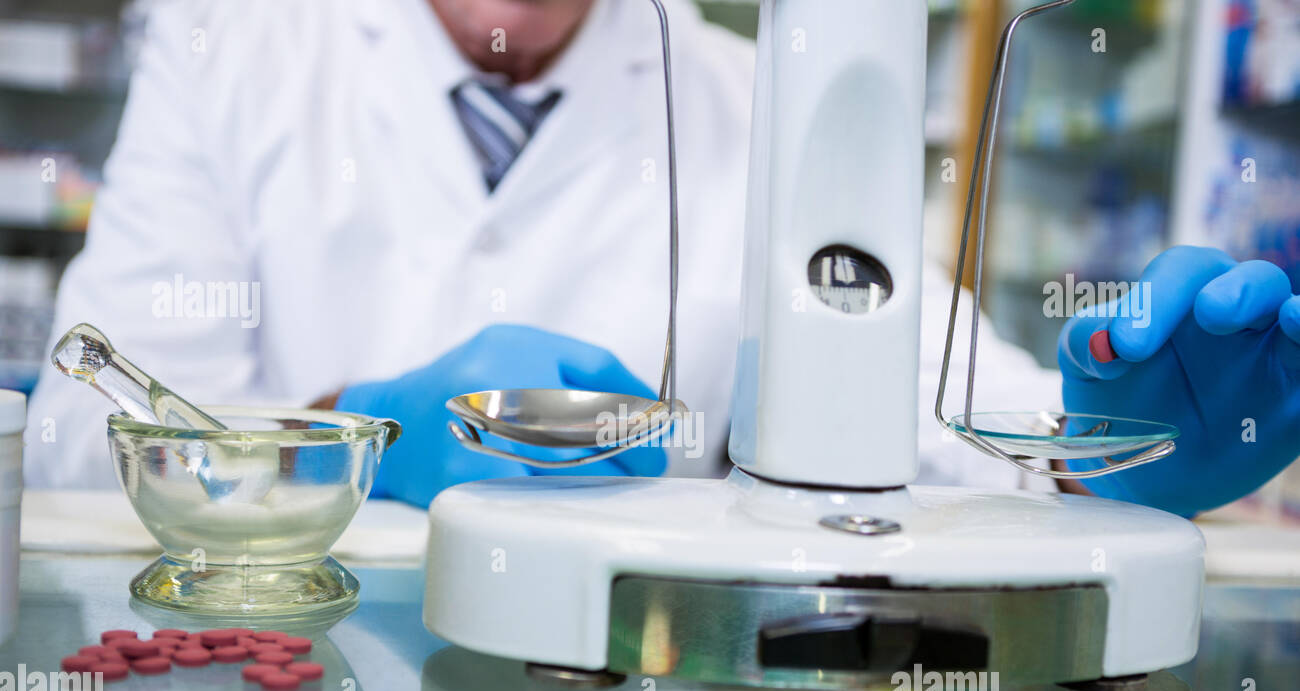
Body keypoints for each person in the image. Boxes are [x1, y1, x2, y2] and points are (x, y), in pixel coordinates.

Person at [24, 0, 1300, 519]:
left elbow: (938, 395)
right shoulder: (228, 48)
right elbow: (86, 440)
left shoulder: (758, 95)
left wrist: (1103, 441)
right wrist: (349, 436)